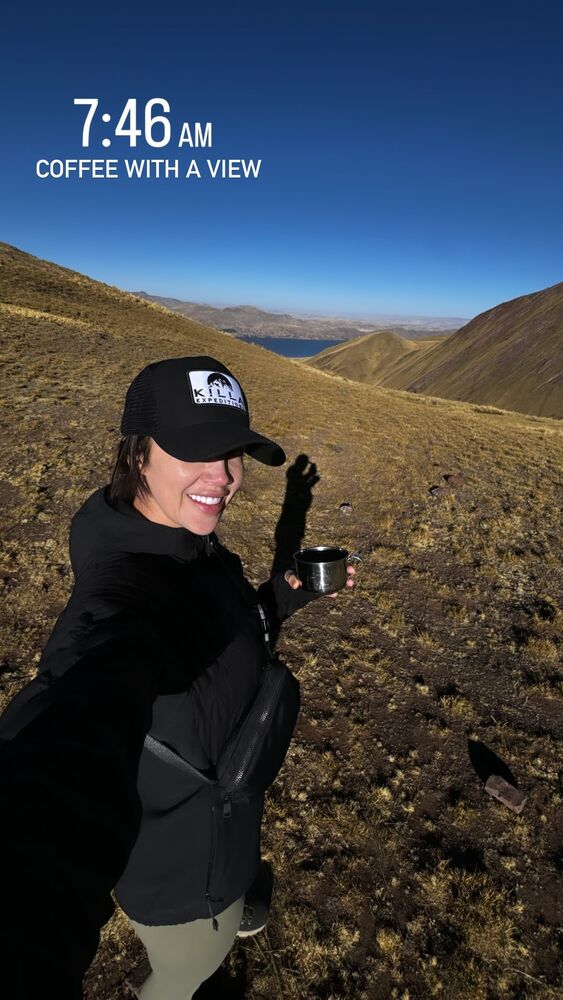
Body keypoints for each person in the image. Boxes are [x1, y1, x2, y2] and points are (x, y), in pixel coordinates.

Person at [0, 355, 355, 999]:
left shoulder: (178, 538)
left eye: (233, 453)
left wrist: (282, 596)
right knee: (186, 974)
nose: (223, 478)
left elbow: (218, 630)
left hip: (222, 826)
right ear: (138, 454)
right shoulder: (125, 600)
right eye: (196, 450)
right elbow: (74, 713)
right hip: (187, 888)